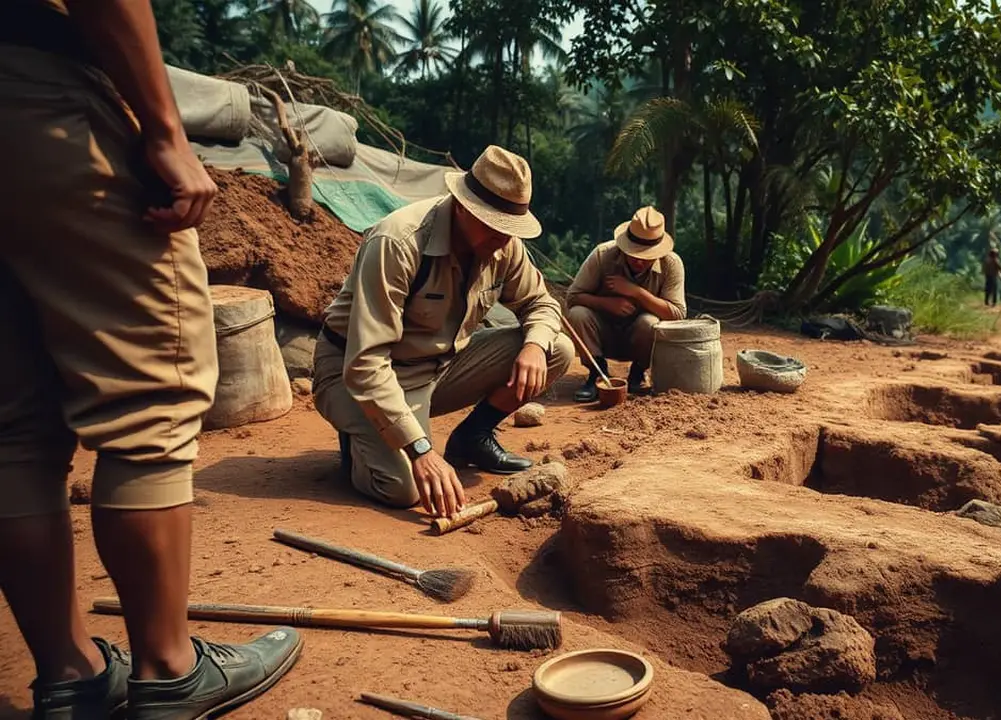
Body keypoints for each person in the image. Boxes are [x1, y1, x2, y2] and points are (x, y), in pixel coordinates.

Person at [0, 0, 302, 717]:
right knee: (150, 395)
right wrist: (164, 130)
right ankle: (169, 672)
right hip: (42, 89)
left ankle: (71, 675)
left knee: (12, 423)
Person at [312, 145, 575, 514]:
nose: (505, 240)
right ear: (465, 208)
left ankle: (473, 437)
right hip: (354, 374)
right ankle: (359, 436)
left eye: (510, 229)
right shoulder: (398, 242)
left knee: (555, 349)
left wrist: (533, 347)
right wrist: (420, 450)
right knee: (404, 491)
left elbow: (542, 304)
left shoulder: (504, 245)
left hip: (437, 368)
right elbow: (366, 362)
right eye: (497, 227)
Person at [565, 206, 687, 402]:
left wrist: (636, 292)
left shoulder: (671, 264)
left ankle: (637, 374)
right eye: (634, 253)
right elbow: (572, 298)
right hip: (603, 335)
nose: (639, 261)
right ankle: (597, 374)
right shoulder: (603, 254)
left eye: (646, 257)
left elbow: (678, 314)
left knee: (649, 322)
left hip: (643, 341)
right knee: (578, 314)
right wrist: (607, 303)